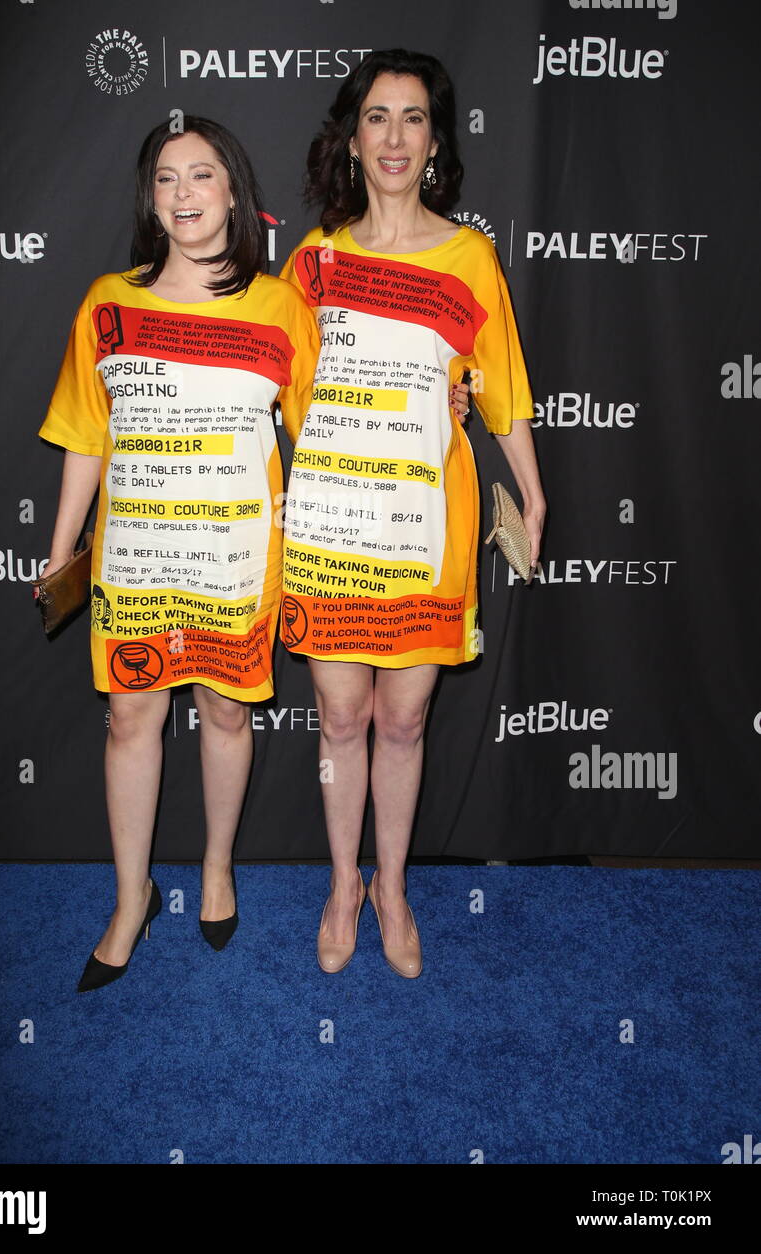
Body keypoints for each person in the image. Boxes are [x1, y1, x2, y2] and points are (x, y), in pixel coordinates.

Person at [279, 49, 546, 978]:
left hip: (425, 525)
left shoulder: (469, 256)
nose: (396, 137)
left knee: (403, 720)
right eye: (379, 118)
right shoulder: (312, 260)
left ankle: (391, 887)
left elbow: (500, 382)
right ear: (352, 140)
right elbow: (290, 394)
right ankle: (342, 881)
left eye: (415, 118)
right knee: (341, 719)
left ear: (436, 140)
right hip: (333, 524)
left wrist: (533, 490)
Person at [37, 116, 320, 991]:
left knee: (227, 715)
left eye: (203, 175)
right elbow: (87, 434)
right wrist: (60, 552)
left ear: (235, 193)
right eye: (167, 178)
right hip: (136, 558)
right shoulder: (107, 303)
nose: (186, 193)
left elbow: (325, 428)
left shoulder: (279, 306)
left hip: (237, 556)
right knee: (130, 719)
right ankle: (131, 900)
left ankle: (216, 867)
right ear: (151, 199)